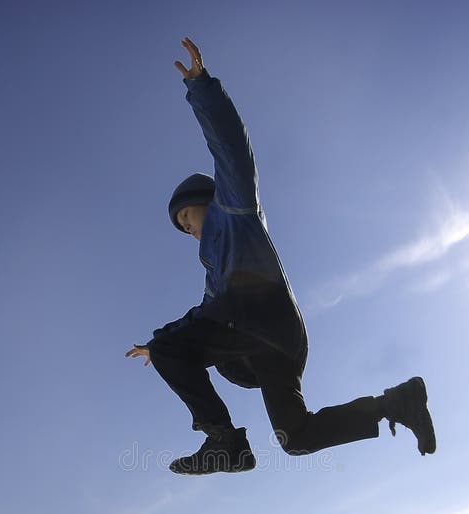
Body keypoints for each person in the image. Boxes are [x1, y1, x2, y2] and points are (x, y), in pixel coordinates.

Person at [126, 37, 436, 475]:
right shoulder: (215, 268)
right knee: (298, 438)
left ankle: (223, 440)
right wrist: (163, 346)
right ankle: (395, 403)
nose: (186, 227)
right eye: (181, 227)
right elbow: (206, 313)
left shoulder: (234, 210)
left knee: (171, 343)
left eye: (184, 216)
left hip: (258, 320)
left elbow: (232, 151)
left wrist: (202, 89)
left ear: (203, 199)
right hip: (273, 345)